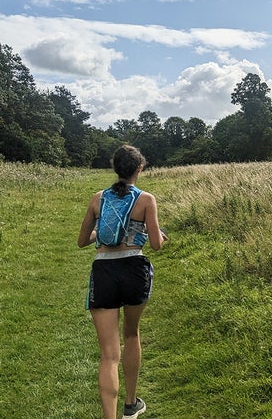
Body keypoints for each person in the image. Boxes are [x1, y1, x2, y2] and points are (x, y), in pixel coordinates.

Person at [78, 145, 168, 419]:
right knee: (131, 334)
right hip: (134, 270)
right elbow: (156, 244)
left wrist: (101, 234)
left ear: (115, 168)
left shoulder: (98, 199)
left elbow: (82, 241)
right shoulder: (146, 199)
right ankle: (131, 404)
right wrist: (160, 236)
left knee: (108, 355)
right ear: (139, 169)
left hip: (104, 270)